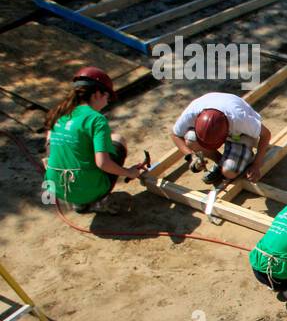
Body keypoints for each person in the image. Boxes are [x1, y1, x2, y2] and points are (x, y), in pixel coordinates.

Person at [42, 67, 147, 215]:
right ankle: (97, 201)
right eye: (107, 97)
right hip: (86, 190)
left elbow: (50, 151)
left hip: (58, 189)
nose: (107, 102)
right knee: (118, 140)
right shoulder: (96, 119)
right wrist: (128, 172)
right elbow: (103, 163)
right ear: (97, 93)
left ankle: (78, 202)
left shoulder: (59, 113)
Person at [169, 92, 271, 186]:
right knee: (191, 139)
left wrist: (256, 164)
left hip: (240, 134)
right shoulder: (191, 114)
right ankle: (221, 163)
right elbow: (175, 135)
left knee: (229, 172)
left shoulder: (240, 120)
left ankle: (244, 158)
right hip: (222, 115)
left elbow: (266, 135)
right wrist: (191, 157)